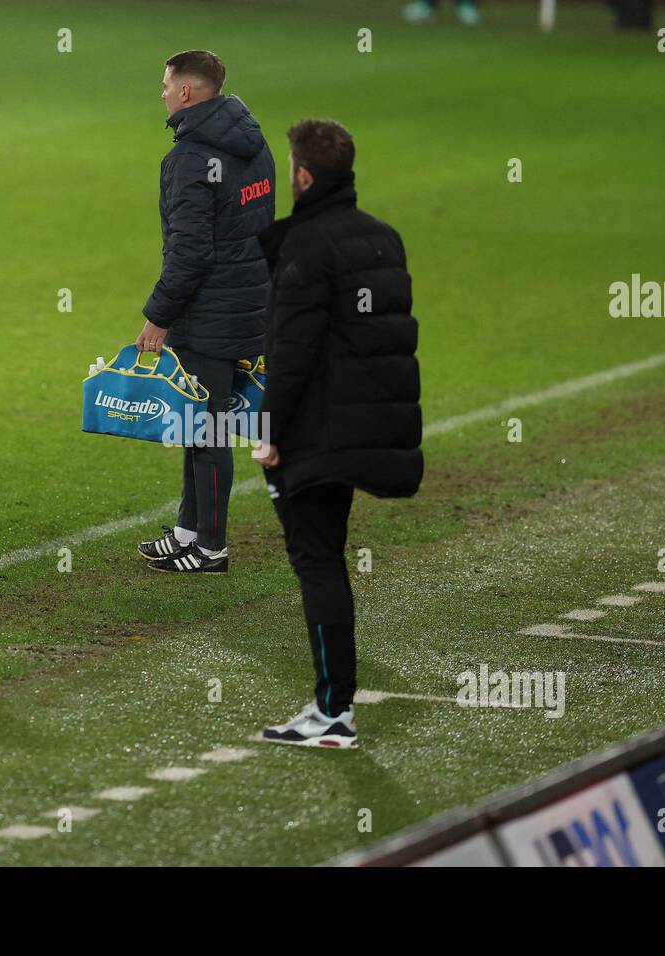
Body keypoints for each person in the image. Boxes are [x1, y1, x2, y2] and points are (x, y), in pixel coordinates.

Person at [252, 119, 423, 747]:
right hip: (368, 425)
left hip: (317, 432)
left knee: (317, 561)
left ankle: (333, 713)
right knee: (329, 559)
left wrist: (268, 431)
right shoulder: (383, 237)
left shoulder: (307, 246)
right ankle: (333, 706)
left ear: (301, 175)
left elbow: (291, 351)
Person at [135, 50, 276, 574]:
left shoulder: (191, 159)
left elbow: (191, 253)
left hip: (209, 314)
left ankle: (210, 548)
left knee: (208, 430)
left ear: (188, 92)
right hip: (248, 304)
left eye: (167, 85)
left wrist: (159, 315)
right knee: (202, 424)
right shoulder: (254, 142)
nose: (164, 94)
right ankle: (188, 531)